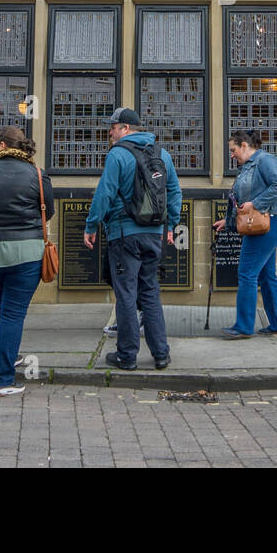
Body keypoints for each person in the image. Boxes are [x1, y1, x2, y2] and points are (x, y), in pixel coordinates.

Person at [86, 108, 181, 369]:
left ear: (126, 129)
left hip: (124, 234)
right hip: (154, 234)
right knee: (150, 292)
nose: (110, 131)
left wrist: (91, 225)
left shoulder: (118, 154)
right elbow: (174, 192)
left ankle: (127, 356)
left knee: (126, 294)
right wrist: (171, 224)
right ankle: (161, 354)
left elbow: (104, 193)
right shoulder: (162, 155)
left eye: (113, 127)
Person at [0, 125, 54, 396]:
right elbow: (48, 212)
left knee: (3, 303)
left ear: (4, 145)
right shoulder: (38, 176)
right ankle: (5, 380)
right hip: (25, 253)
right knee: (13, 312)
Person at [212, 129, 277, 339]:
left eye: (233, 149)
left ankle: (244, 326)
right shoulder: (247, 167)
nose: (232, 154)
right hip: (261, 224)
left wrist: (255, 204)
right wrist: (227, 222)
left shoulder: (265, 160)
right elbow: (239, 200)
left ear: (244, 146)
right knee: (267, 275)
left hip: (270, 223)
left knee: (247, 273)